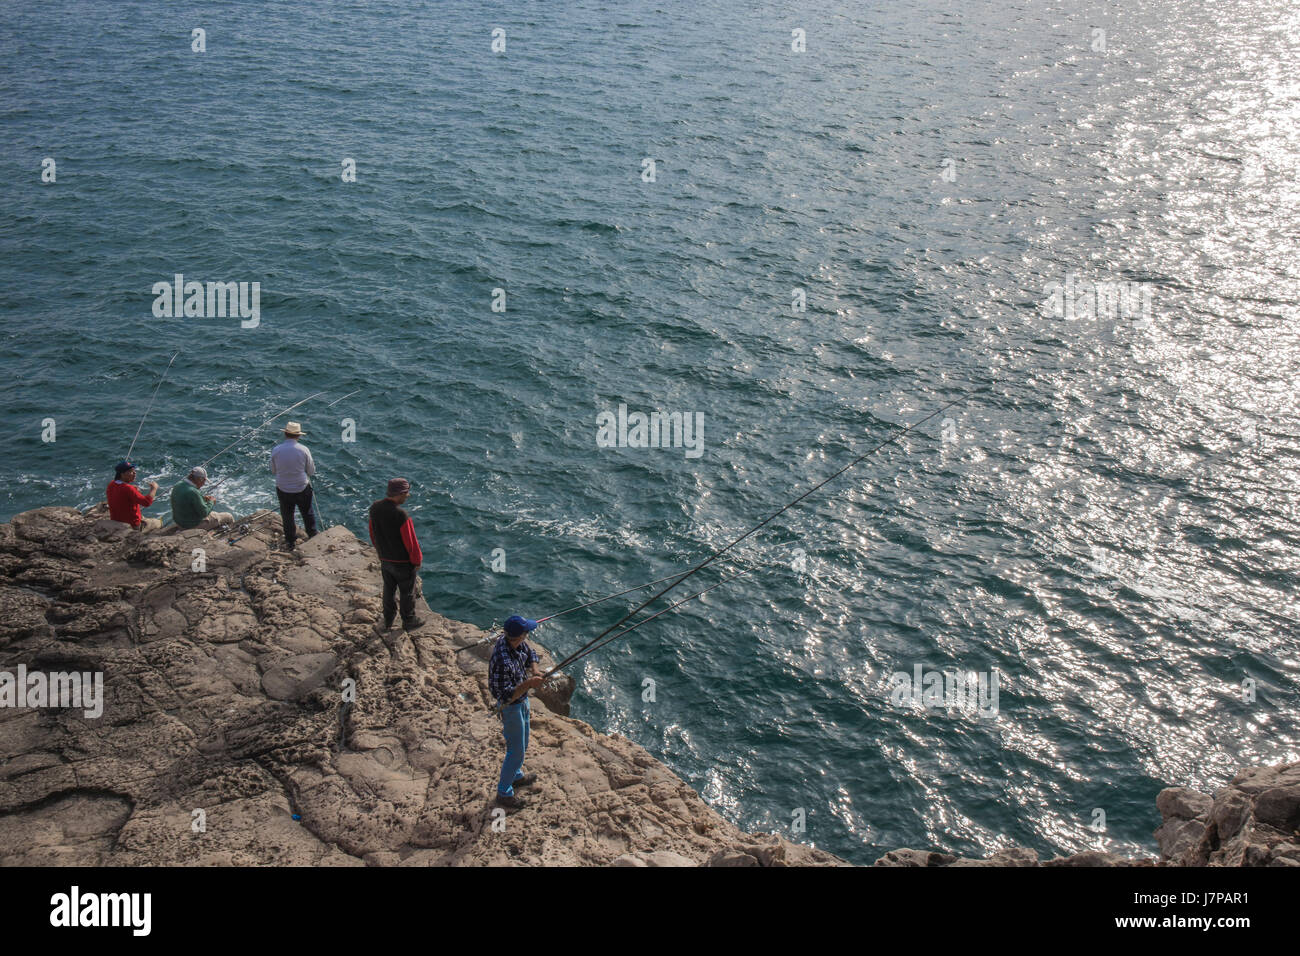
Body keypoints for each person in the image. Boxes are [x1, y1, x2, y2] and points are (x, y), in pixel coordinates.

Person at [488, 615, 544, 809]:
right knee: (516, 750)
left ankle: (516, 775)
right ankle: (503, 792)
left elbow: (531, 655)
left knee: (524, 741)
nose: (527, 635)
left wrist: (535, 671)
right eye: (526, 633)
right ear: (518, 636)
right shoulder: (503, 660)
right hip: (511, 707)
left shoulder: (516, 644)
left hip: (522, 701)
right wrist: (529, 683)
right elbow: (506, 696)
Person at [367, 477, 424, 632]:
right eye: (406, 493)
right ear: (400, 493)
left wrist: (380, 552)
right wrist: (417, 560)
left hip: (385, 559)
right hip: (402, 563)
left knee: (388, 590)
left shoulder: (375, 508)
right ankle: (409, 621)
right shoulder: (401, 515)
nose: (407, 496)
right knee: (407, 593)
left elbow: (372, 532)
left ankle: (388, 619)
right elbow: (411, 542)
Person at [270, 421, 317, 550]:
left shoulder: (276, 450)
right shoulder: (304, 450)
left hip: (283, 488)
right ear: (298, 436)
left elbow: (273, 471)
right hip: (302, 488)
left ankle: (290, 542)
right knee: (307, 513)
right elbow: (311, 471)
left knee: (287, 515)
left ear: (285, 434)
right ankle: (313, 536)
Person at [169, 466, 234, 531]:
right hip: (191, 526)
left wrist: (201, 498)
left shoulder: (178, 485)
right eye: (204, 481)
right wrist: (211, 501)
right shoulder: (193, 492)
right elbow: (204, 513)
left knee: (214, 514)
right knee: (228, 516)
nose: (204, 483)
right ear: (199, 479)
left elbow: (186, 499)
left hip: (180, 523)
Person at [106, 461, 162, 531]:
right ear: (122, 474)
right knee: (158, 522)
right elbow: (146, 502)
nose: (134, 473)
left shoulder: (111, 484)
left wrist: (132, 489)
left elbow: (121, 492)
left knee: (143, 517)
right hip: (132, 525)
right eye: (131, 471)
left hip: (116, 521)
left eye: (134, 471)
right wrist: (154, 489)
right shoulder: (128, 488)